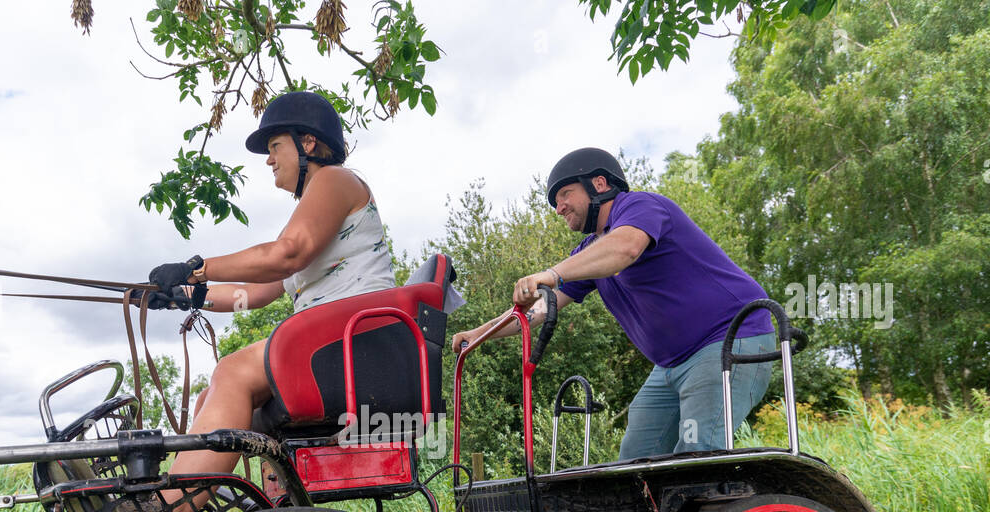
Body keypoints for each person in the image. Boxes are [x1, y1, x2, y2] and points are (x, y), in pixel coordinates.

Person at [452, 148, 777, 460]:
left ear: (599, 184)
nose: (559, 207)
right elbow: (540, 310)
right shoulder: (590, 254)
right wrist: (478, 334)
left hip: (729, 337)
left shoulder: (640, 206)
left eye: (564, 194)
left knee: (699, 454)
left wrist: (551, 273)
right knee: (635, 461)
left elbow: (626, 248)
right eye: (555, 202)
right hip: (671, 364)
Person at [146, 90, 395, 485]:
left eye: (275, 146)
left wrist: (196, 269)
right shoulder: (314, 211)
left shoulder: (334, 179)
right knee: (210, 399)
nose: (269, 158)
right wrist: (189, 297)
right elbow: (259, 292)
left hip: (356, 341)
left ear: (308, 143)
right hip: (338, 343)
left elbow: (285, 254)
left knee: (231, 372)